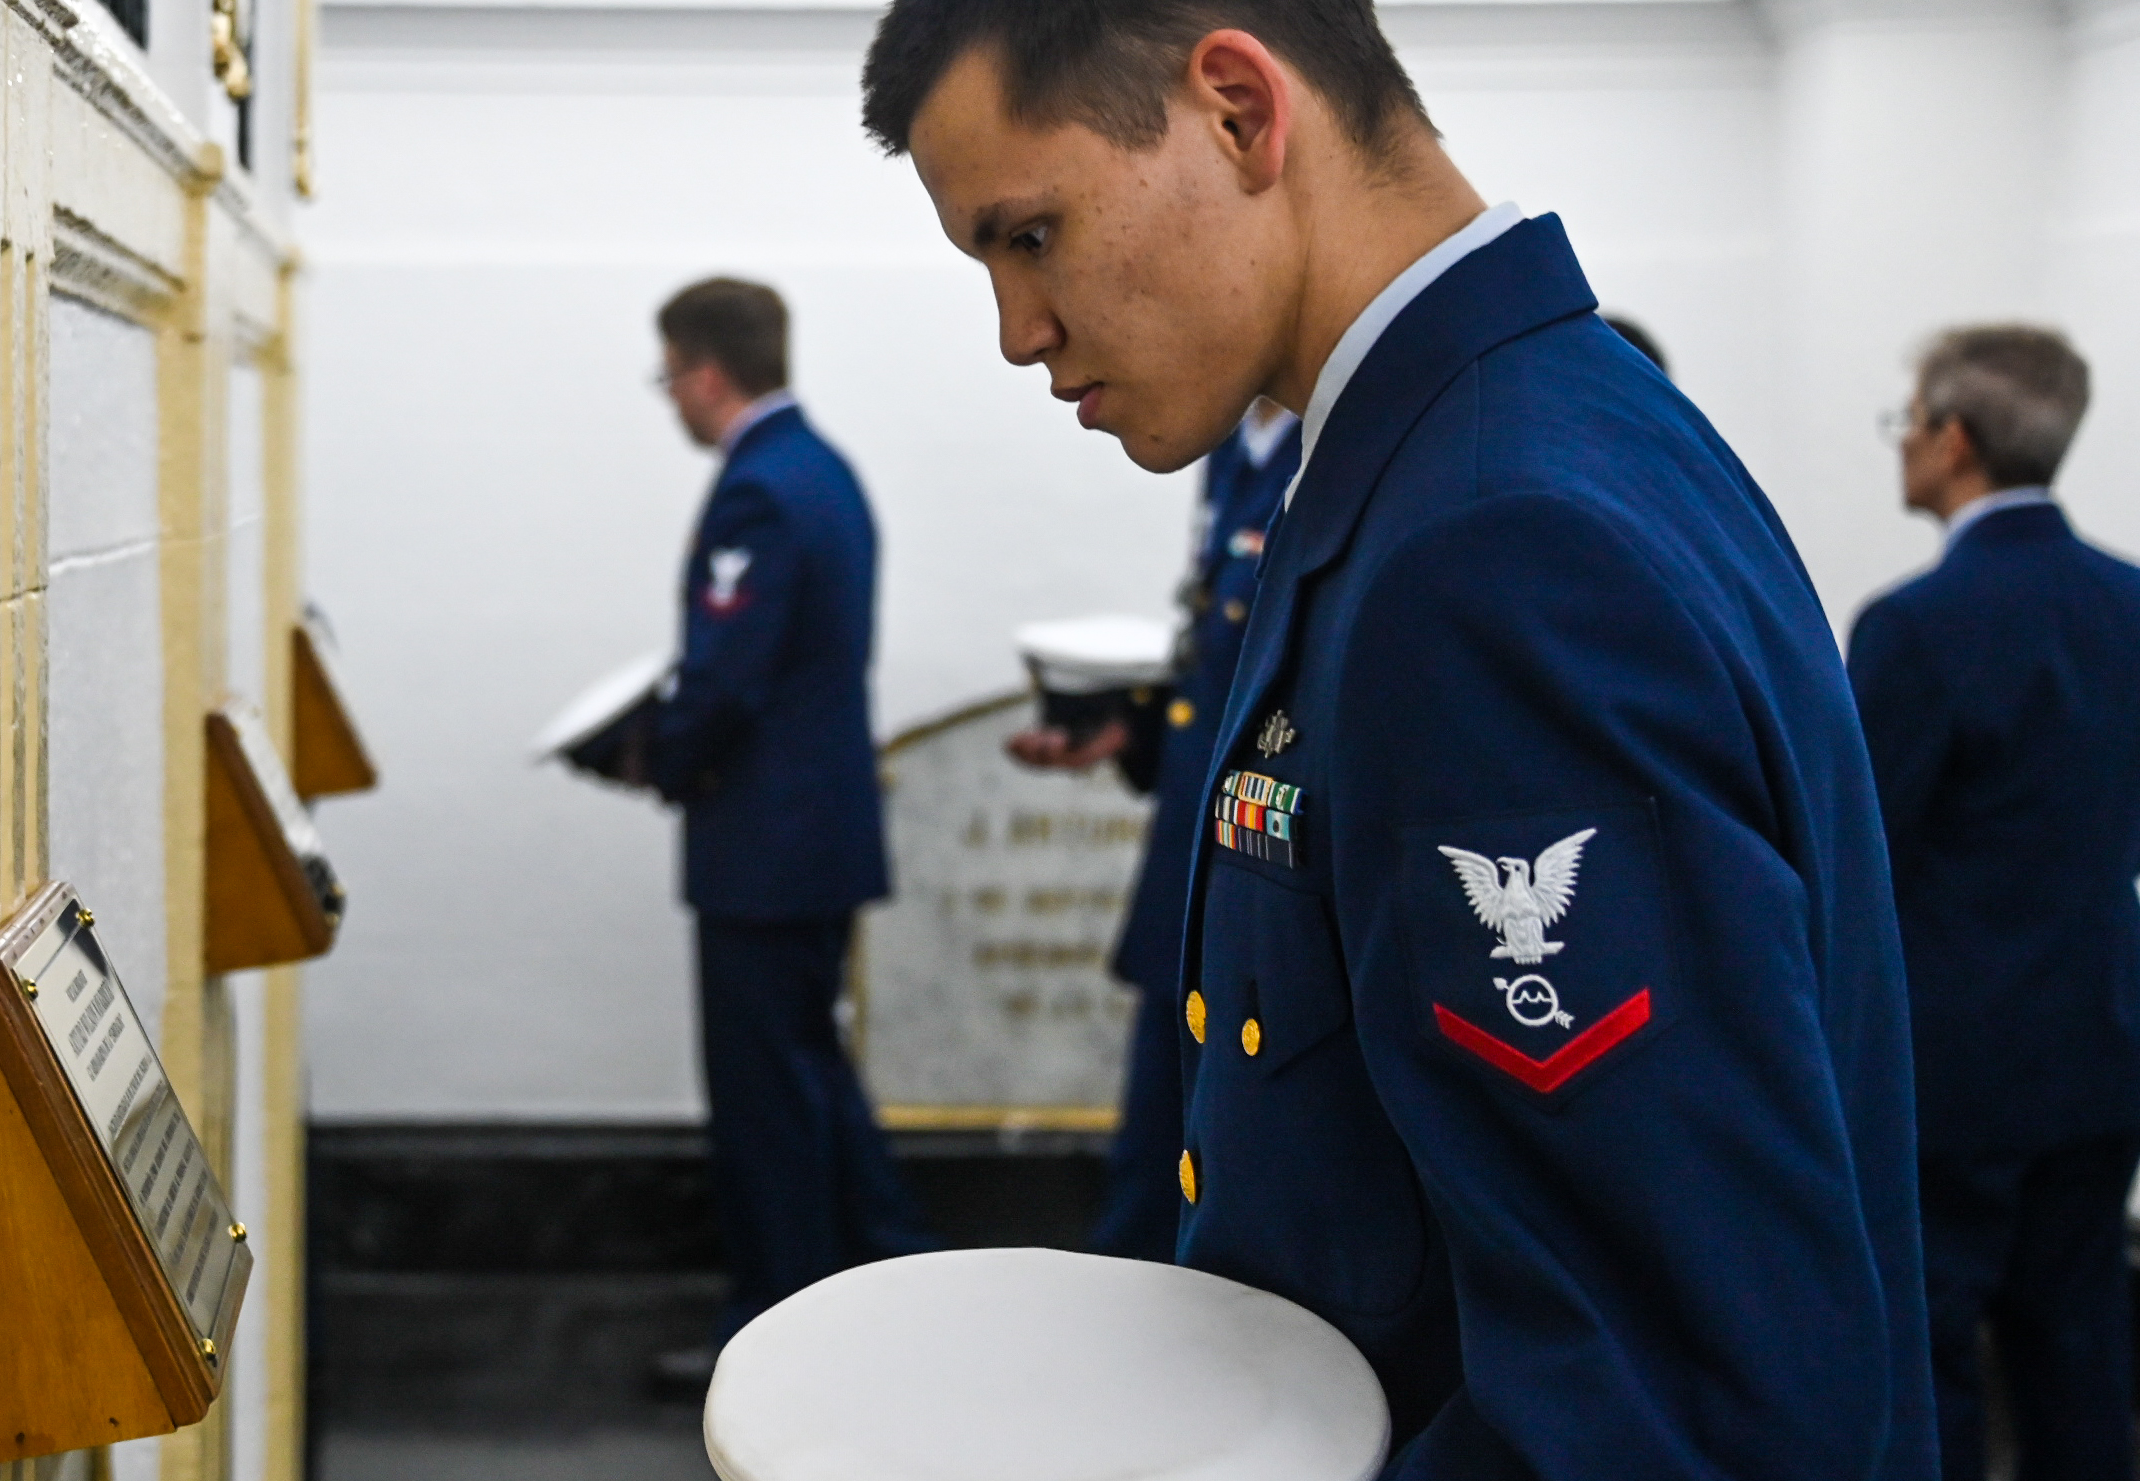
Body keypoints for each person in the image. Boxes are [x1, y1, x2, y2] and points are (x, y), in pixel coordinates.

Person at [861, 3, 1936, 1475]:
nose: (1015, 331)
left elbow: (1673, 1411)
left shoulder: (1493, 547)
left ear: (1238, 109)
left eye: (1029, 235)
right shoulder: (1504, 437)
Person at [1848, 326, 2140, 1481]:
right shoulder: (2128, 604)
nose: (1903, 445)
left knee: (1934, 1358)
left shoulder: (1911, 628)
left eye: (1909, 420)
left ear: (1954, 440)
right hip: (2101, 1041)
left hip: (1954, 1069)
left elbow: (1860, 856)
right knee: (2077, 1348)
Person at [641, 277, 933, 1367]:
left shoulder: (759, 488)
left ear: (707, 375)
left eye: (668, 377)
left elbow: (727, 677)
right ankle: (888, 1279)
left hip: (765, 846)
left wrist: (655, 756)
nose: (670, 397)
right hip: (812, 834)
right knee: (811, 1074)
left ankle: (772, 1339)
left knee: (770, 1099)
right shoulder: (824, 469)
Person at [1009, 397, 1301, 1262]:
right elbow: (1214, 666)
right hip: (1191, 855)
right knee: (1159, 1147)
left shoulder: (1325, 448)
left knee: (1220, 1173)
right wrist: (1130, 734)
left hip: (1256, 888)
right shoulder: (1234, 448)